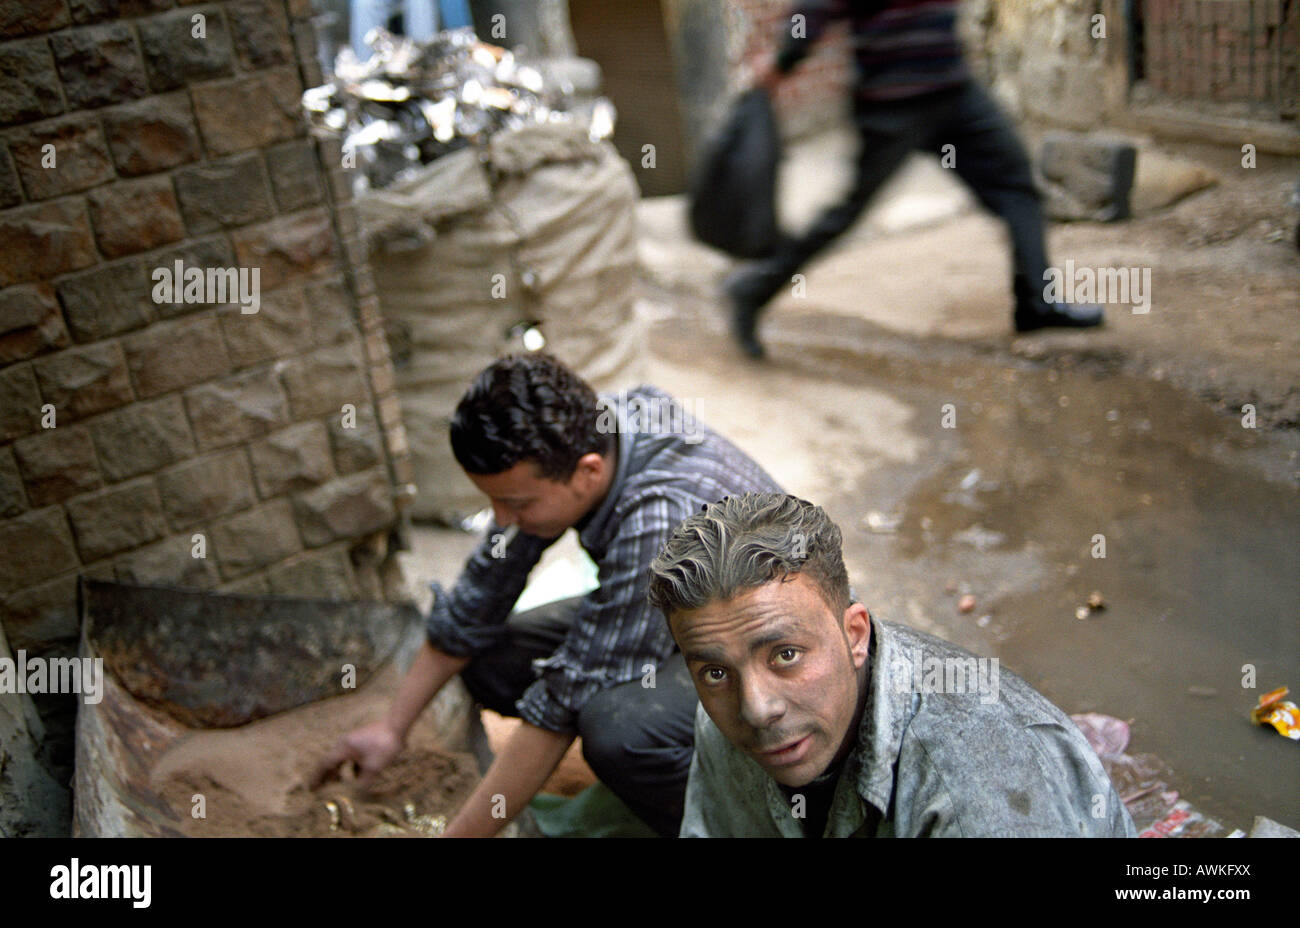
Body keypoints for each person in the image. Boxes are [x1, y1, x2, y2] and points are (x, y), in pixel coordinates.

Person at [316, 353, 783, 837]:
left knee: (619, 732)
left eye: (516, 504)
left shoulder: (655, 520)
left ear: (588, 471)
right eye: (493, 500)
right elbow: (481, 595)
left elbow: (564, 701)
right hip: (678, 611)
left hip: (763, 647)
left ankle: (739, 819)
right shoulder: (584, 434)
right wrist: (393, 728)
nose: (500, 518)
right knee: (493, 659)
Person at [647, 492, 1136, 837]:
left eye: (786, 655)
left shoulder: (981, 789)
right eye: (714, 672)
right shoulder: (727, 717)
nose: (756, 708)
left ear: (854, 635)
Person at [728, 0, 1104, 358]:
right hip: (892, 103)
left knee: (1017, 187)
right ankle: (753, 289)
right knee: (847, 212)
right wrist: (782, 62)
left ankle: (1036, 302)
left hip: (952, 90)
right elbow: (817, 8)